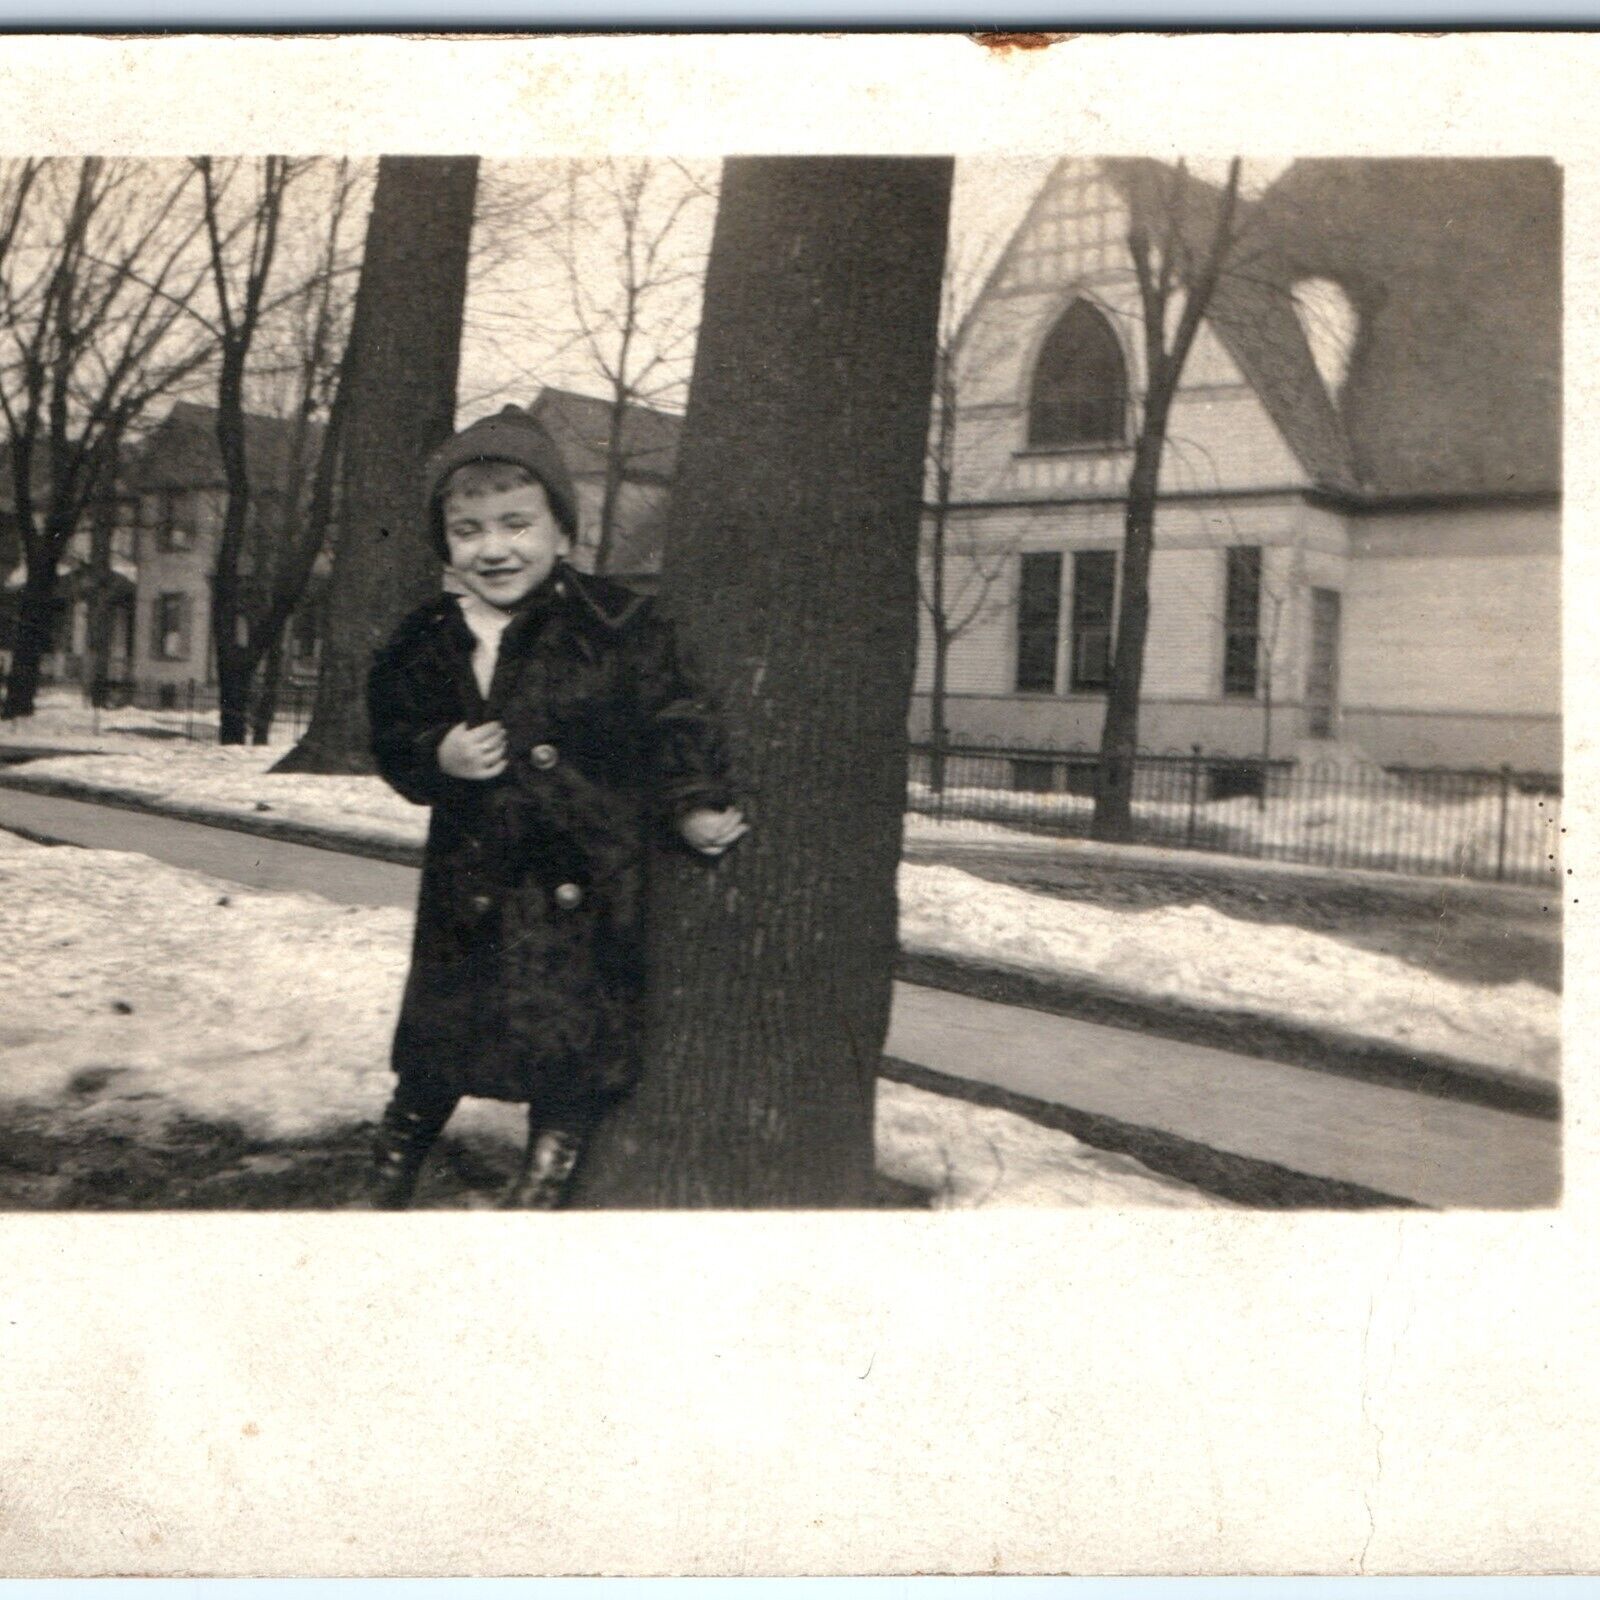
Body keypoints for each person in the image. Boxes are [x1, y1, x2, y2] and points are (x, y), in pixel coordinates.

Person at [365, 404, 746, 1209]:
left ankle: (546, 1172)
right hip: (472, 874)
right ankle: (396, 1154)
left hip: (584, 870)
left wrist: (691, 803)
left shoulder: (615, 626)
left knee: (574, 1034)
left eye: (516, 523)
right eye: (468, 530)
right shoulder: (427, 636)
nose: (494, 547)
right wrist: (439, 753)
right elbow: (390, 728)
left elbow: (673, 715)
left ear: (563, 534)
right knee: (444, 1027)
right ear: (445, 546)